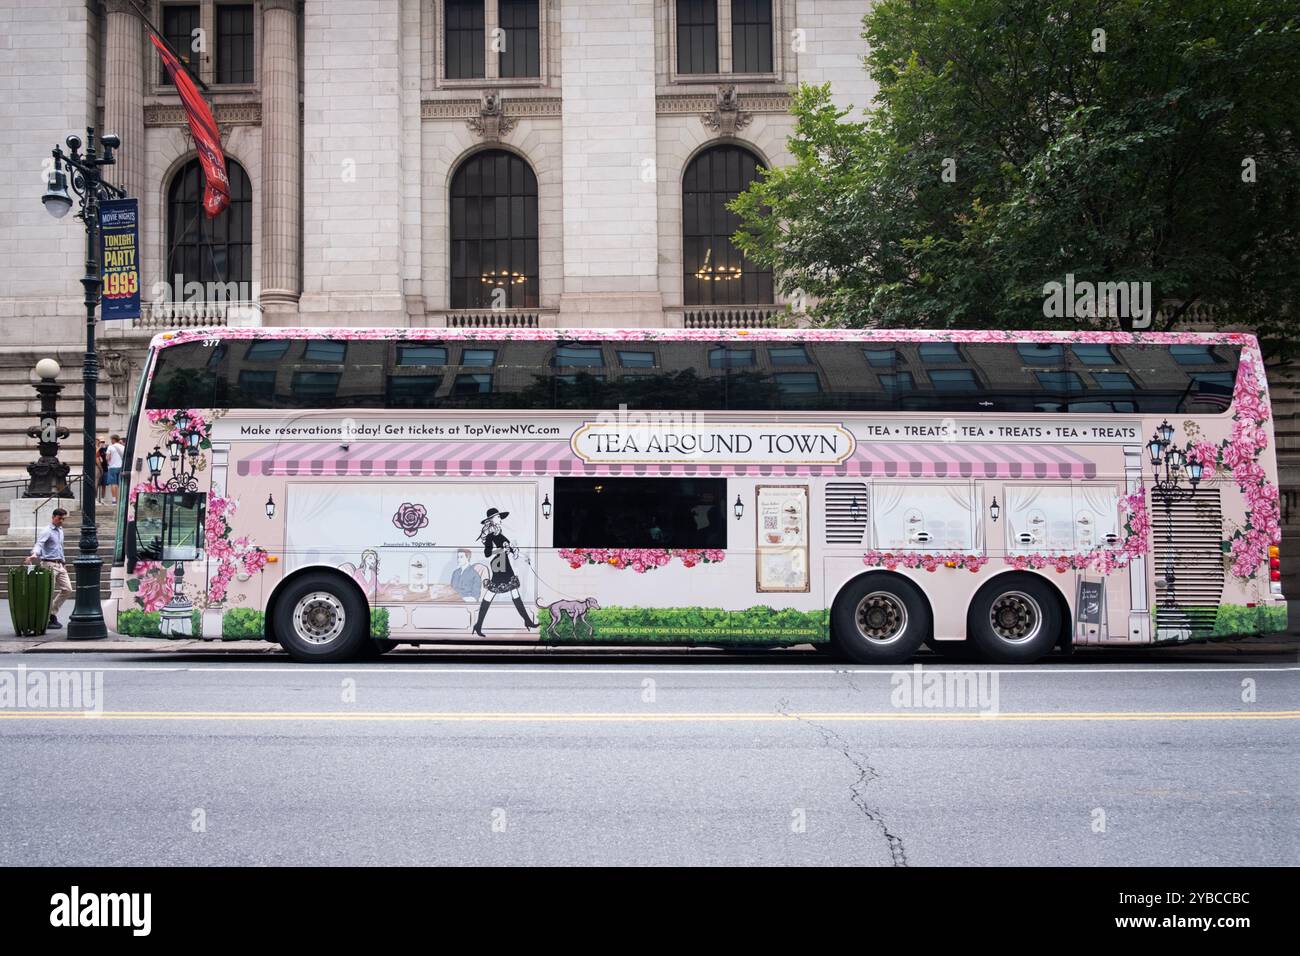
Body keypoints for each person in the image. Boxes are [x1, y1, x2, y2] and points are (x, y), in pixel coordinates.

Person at [472, 508, 536, 636]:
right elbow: (487, 553)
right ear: (491, 520)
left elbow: (510, 549)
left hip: (505, 565)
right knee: (491, 594)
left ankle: (527, 621)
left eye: (499, 517)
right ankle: (478, 625)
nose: (500, 519)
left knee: (514, 593)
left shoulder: (500, 534)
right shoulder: (491, 536)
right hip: (499, 565)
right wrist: (502, 551)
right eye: (497, 517)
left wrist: (523, 556)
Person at [25, 508, 74, 630]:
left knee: (67, 589)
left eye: (63, 519)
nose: (61, 521)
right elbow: (39, 544)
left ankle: (51, 613)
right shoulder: (47, 531)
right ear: (53, 517)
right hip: (48, 565)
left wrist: (64, 562)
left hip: (59, 564)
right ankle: (47, 618)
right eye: (59, 518)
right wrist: (34, 554)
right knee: (48, 592)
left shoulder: (60, 531)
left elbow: (60, 548)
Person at [105, 434, 126, 504]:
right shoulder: (123, 447)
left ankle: (114, 500)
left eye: (111, 439)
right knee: (120, 484)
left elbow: (107, 458)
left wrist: (108, 460)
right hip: (121, 467)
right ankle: (120, 499)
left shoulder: (110, 447)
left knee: (113, 484)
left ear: (113, 439)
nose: (111, 441)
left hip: (112, 467)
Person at [95, 438, 108, 504]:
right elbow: (96, 457)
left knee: (104, 484)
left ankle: (102, 499)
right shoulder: (97, 448)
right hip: (98, 468)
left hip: (105, 468)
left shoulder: (105, 449)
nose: (102, 442)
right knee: (96, 483)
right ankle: (95, 498)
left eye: (103, 441)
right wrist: (99, 447)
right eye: (101, 441)